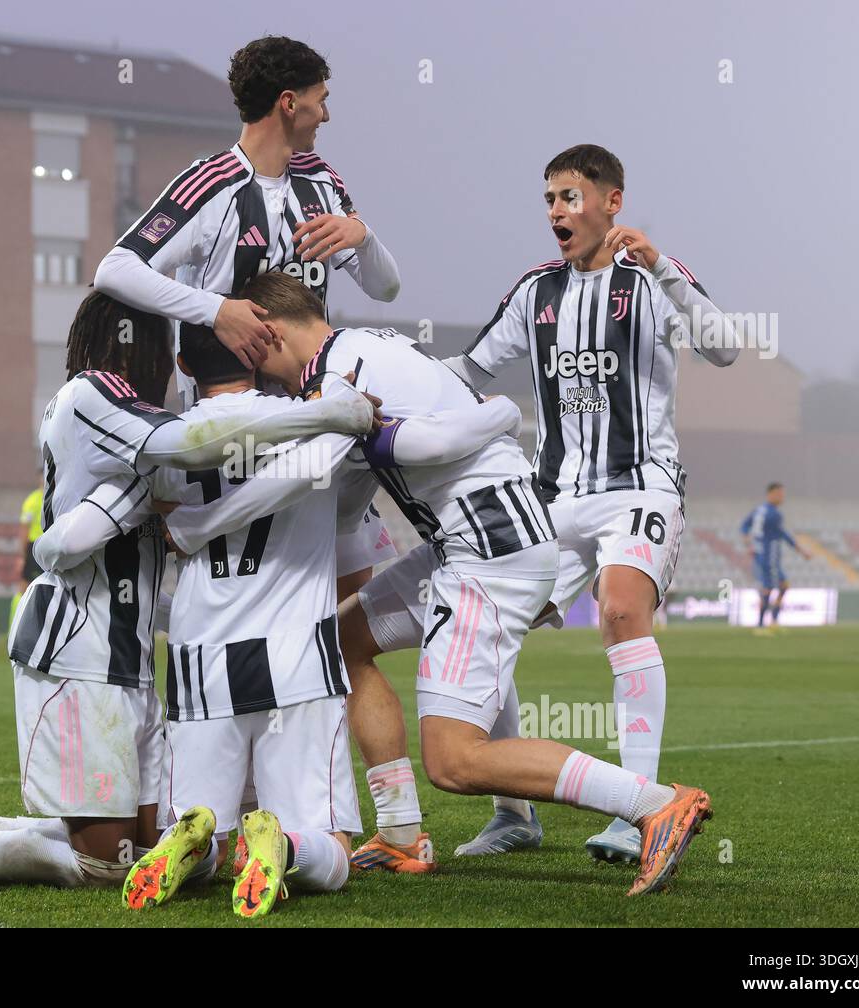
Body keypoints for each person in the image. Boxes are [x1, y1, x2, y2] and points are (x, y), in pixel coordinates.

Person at [191, 271, 714, 896]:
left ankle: (655, 803)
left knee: (454, 760)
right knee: (340, 643)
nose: (250, 365)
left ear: (266, 331)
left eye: (243, 340)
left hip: (491, 552)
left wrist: (203, 526)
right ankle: (402, 832)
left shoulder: (342, 378)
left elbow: (425, 440)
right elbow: (348, 500)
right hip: (469, 544)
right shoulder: (357, 355)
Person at [0, 290, 377, 890]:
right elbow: (67, 540)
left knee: (154, 850)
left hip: (131, 657)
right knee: (104, 866)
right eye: (155, 341)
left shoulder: (145, 424)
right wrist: (328, 413)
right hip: (81, 651)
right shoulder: (93, 393)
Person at [96, 35, 424, 865]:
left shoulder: (323, 183)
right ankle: (262, 821)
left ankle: (398, 830)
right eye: (320, 95)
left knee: (347, 630)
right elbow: (116, 268)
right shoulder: (211, 183)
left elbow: (384, 286)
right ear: (289, 102)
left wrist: (365, 232)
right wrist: (213, 311)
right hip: (239, 430)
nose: (327, 110)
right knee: (247, 615)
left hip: (320, 426)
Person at [124, 323, 522, 915]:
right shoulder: (318, 420)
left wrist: (193, 526)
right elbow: (401, 443)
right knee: (331, 849)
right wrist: (500, 411)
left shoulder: (169, 441)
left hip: (198, 654)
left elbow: (152, 513)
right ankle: (285, 844)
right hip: (296, 656)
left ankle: (190, 841)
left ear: (184, 364)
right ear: (259, 354)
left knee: (202, 820)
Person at [418, 143, 741, 864]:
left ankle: (639, 811)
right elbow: (467, 371)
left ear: (611, 201)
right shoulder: (535, 292)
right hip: (553, 498)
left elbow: (725, 348)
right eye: (549, 200)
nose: (557, 213)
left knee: (623, 607)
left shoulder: (651, 279)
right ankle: (514, 814)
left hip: (638, 486)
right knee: (494, 623)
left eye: (569, 197)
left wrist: (662, 265)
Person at [741, 482, 809, 630]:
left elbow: (744, 526)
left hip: (761, 553)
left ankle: (773, 621)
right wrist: (802, 551)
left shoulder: (758, 510)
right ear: (771, 494)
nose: (782, 496)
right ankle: (760, 625)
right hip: (769, 554)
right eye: (780, 493)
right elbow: (783, 535)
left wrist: (748, 542)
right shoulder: (774, 514)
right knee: (768, 588)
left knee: (783, 586)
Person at [12, 472, 45, 622]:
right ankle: (16, 625)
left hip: (43, 547)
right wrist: (22, 555)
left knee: (27, 588)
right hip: (35, 548)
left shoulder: (35, 500)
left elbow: (24, 527)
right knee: (24, 588)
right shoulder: (32, 501)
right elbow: (24, 529)